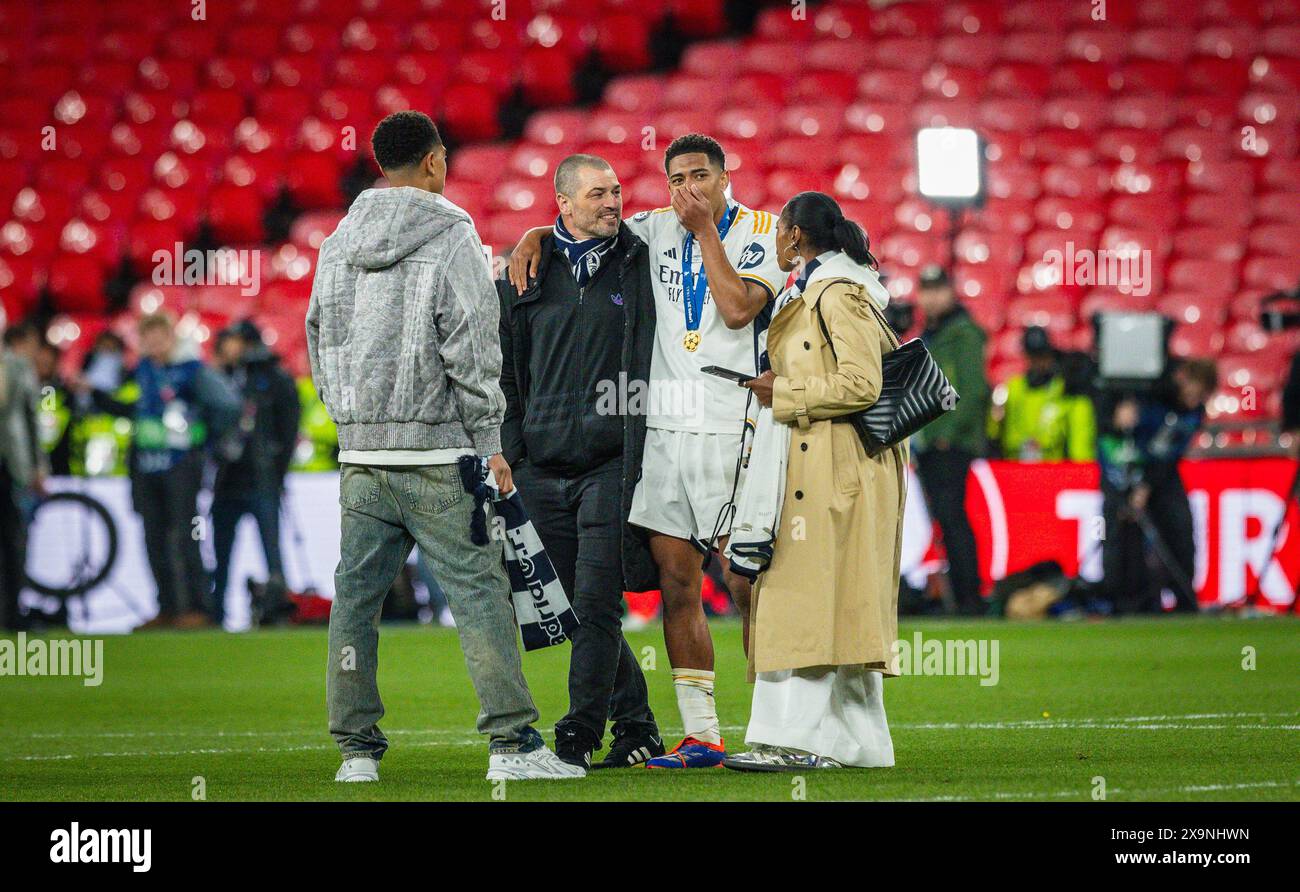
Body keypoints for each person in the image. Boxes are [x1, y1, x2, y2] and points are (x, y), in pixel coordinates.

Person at [306, 110, 579, 782]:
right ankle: (513, 746)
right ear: (433, 161)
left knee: (355, 603)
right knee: (480, 595)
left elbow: (318, 335)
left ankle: (356, 754)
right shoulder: (452, 233)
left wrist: (349, 418)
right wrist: (489, 439)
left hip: (363, 457)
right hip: (439, 458)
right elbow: (470, 342)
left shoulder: (337, 240)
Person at [509, 133, 786, 768]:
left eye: (700, 176)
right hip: (661, 433)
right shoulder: (649, 230)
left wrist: (706, 233)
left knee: (747, 584)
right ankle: (703, 737)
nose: (688, 189)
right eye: (677, 179)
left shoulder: (763, 232)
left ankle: (776, 729)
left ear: (724, 176)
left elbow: (740, 309)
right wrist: (537, 236)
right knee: (676, 582)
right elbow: (579, 224)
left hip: (735, 428)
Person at [724, 191, 904, 770]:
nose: (775, 239)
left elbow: (861, 384)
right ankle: (861, 742)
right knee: (838, 602)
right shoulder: (830, 287)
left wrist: (786, 393)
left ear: (795, 236)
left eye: (780, 229)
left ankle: (795, 740)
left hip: (833, 465)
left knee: (803, 598)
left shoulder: (838, 293)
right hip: (832, 461)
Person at [497, 153, 663, 770]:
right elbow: (506, 377)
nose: (612, 203)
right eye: (596, 194)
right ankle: (639, 725)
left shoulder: (642, 260)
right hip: (541, 466)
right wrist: (516, 451)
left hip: (610, 462)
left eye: (616, 192)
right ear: (562, 202)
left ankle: (576, 735)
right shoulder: (524, 277)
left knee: (597, 602)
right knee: (568, 609)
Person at [84, 313, 240, 630]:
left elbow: (228, 405)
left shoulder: (192, 371)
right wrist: (95, 392)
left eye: (159, 337)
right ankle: (167, 607)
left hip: (180, 465)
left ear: (171, 337)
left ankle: (198, 608)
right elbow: (131, 409)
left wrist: (206, 441)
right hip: (145, 465)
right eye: (147, 338)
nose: (153, 344)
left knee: (185, 536)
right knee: (153, 537)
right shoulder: (141, 371)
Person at [1097, 358, 1217, 613]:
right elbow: (1109, 429)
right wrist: (1116, 420)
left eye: (1200, 396)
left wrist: (1146, 485)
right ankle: (1126, 601)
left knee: (1180, 530)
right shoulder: (1146, 393)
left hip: (1162, 476)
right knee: (1121, 536)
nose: (1194, 401)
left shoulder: (1192, 413)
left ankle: (1183, 599)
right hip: (1122, 470)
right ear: (1182, 380)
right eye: (1192, 393)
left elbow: (1168, 453)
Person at [209, 321, 301, 626]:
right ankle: (215, 612)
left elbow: (289, 430)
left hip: (262, 480)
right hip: (227, 481)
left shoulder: (274, 379)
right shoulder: (219, 378)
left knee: (273, 552)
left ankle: (278, 609)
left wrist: (278, 472)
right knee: (221, 553)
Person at [912, 264, 990, 615]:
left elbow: (973, 391)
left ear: (950, 292)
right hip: (931, 442)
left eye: (937, 290)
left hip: (950, 444)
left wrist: (946, 435)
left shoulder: (963, 334)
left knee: (953, 518)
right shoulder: (933, 333)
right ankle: (962, 596)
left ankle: (970, 596)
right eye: (926, 290)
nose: (931, 298)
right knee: (947, 518)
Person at [0, 319, 48, 631]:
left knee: (14, 540)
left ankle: (14, 613)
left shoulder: (18, 366)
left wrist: (38, 466)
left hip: (11, 464)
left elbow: (32, 416)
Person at [989, 325, 1096, 462]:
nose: (1038, 362)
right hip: (1015, 467)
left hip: (1053, 469)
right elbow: (994, 433)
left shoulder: (1066, 392)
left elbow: (1080, 449)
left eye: (1042, 355)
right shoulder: (1011, 389)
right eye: (1033, 356)